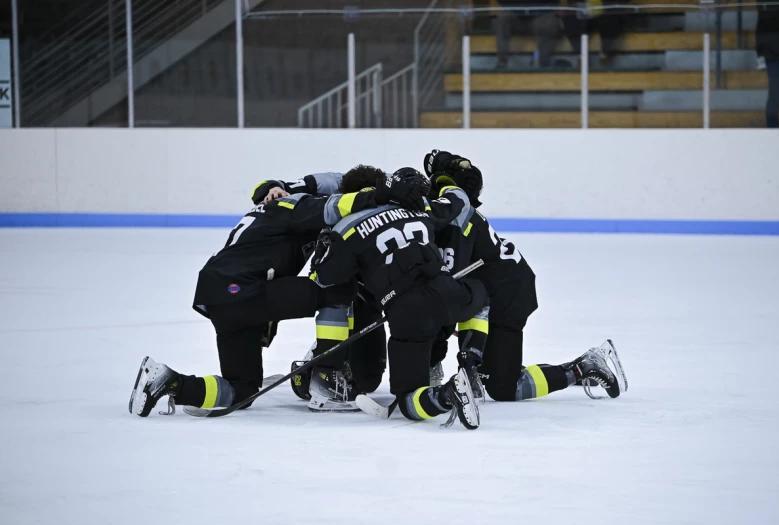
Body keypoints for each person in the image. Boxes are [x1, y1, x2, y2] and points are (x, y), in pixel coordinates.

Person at [128, 172, 425, 417]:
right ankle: (326, 375)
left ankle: (168, 382)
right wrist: (383, 197)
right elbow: (335, 207)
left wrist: (271, 186)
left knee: (241, 389)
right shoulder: (294, 206)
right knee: (336, 288)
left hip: (221, 297)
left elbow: (322, 184)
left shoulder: (282, 201)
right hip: (239, 289)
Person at [422, 149, 624, 403]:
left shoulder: (456, 221)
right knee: (494, 374)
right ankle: (570, 372)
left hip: (509, 294)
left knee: (503, 387)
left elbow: (448, 295)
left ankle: (584, 366)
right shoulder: (453, 213)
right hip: (496, 289)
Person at [310, 167, 489, 429]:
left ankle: (446, 394)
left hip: (408, 312)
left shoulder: (346, 226)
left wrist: (324, 248)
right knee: (481, 296)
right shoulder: (417, 207)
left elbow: (324, 278)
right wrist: (447, 181)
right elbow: (458, 202)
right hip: (448, 292)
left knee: (408, 402)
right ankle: (471, 364)